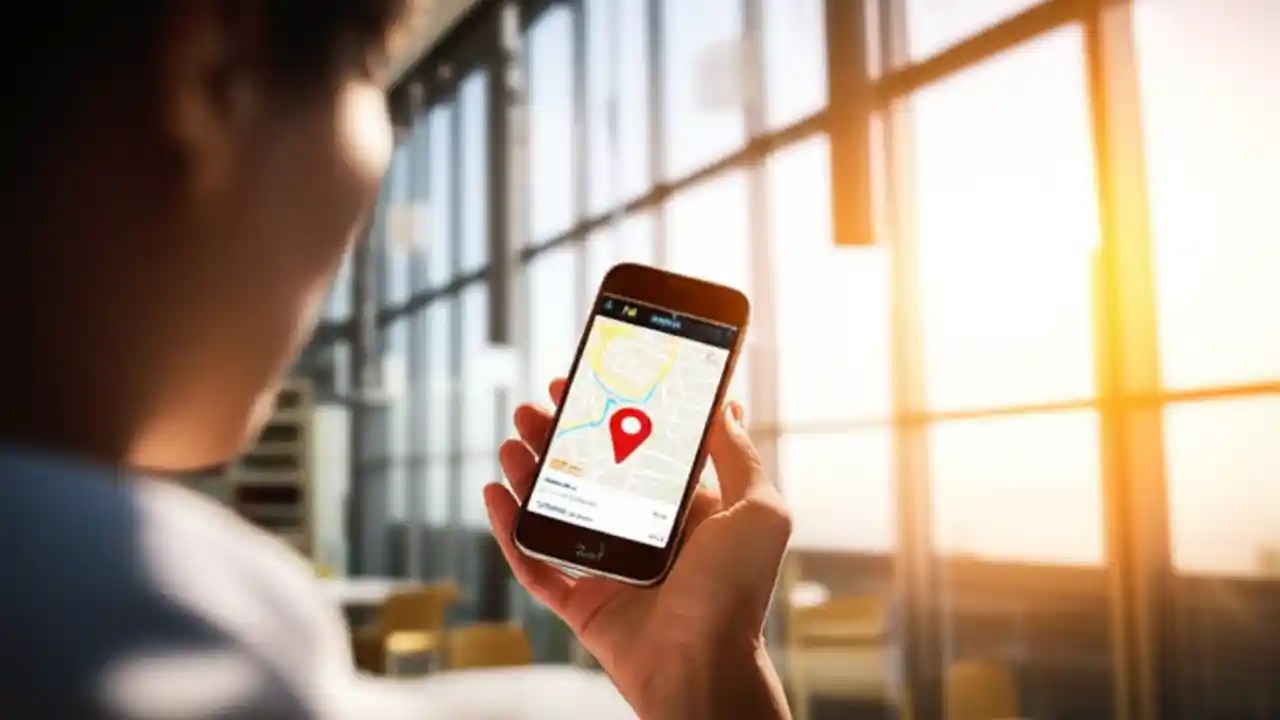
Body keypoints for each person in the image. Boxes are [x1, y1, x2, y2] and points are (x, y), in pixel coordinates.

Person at [0, 2, 793, 719]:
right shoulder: (173, 632)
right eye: (370, 67)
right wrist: (713, 677)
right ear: (214, 71)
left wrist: (689, 664)